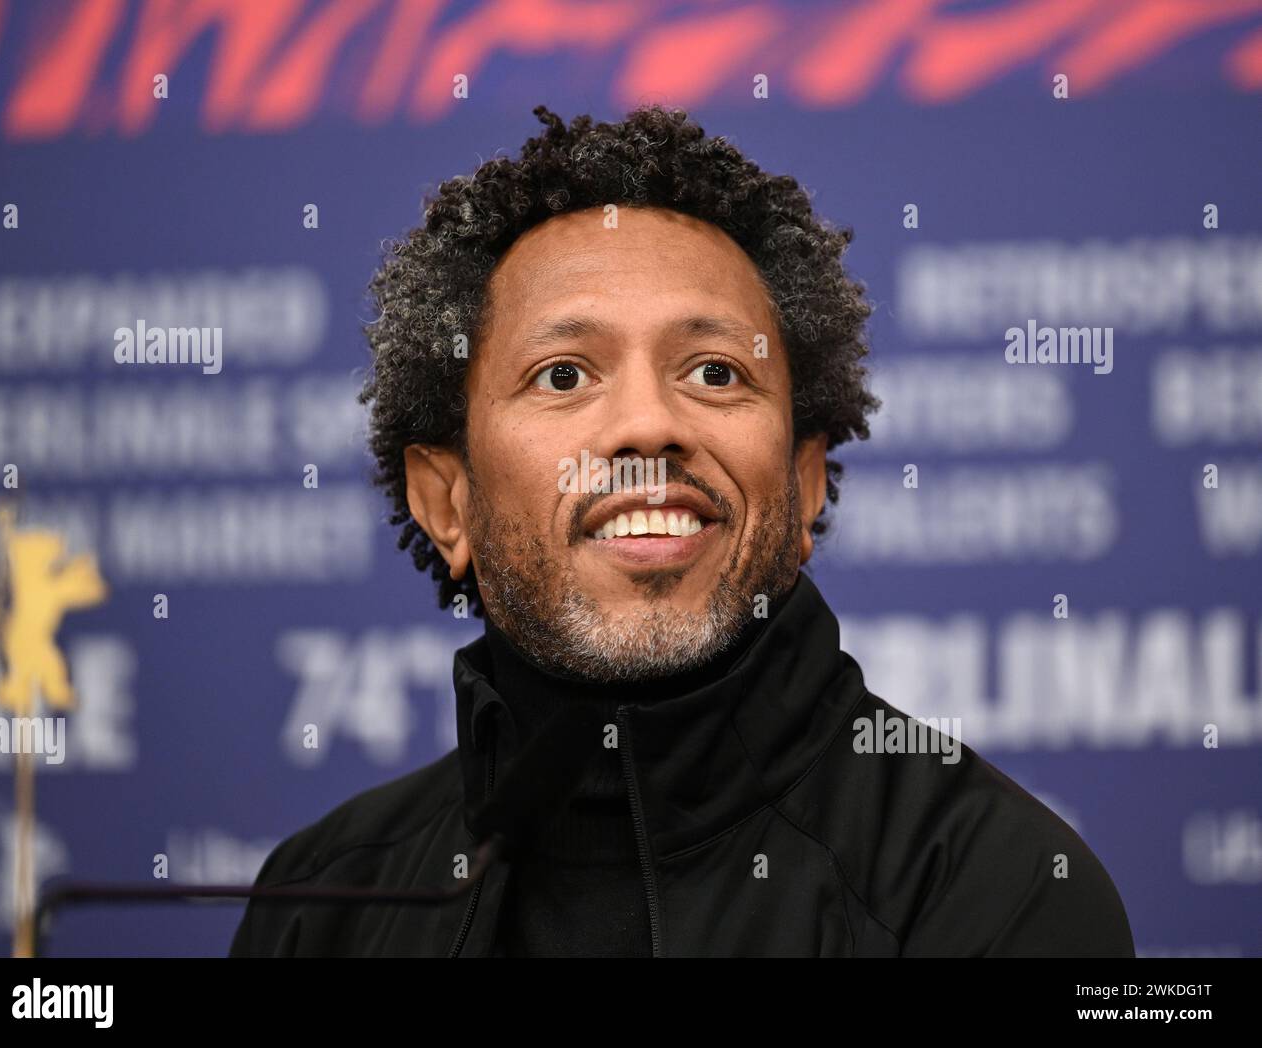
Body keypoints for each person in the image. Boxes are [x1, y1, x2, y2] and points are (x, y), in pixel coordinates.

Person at [228, 104, 1134, 957]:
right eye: (561, 375)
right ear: (446, 503)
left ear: (804, 481)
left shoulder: (993, 888)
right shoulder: (325, 907)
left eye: (712, 371)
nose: (648, 425)